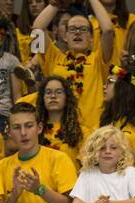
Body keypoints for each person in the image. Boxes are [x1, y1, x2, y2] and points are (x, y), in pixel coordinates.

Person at [33, 0, 117, 131]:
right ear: (65, 36)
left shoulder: (99, 60)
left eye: (83, 29)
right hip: (60, 134)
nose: (77, 32)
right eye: (72, 29)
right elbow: (36, 29)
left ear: (91, 38)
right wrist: (56, 4)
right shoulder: (53, 58)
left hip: (92, 134)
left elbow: (107, 29)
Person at [1, 101, 78, 203]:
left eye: (29, 126)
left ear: (40, 127)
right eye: (17, 127)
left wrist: (39, 189)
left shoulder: (59, 159)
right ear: (9, 132)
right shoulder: (1, 166)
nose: (23, 133)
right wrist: (13, 196)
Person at [36, 74, 86, 168]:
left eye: (58, 92)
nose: (53, 96)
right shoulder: (35, 130)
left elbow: (86, 168)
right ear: (42, 99)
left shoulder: (81, 132)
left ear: (66, 97)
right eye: (48, 92)